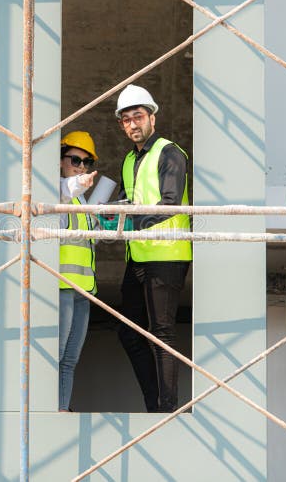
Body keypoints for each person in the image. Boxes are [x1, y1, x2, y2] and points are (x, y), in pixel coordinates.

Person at [114, 84, 191, 413]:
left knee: (161, 332)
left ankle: (167, 408)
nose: (133, 124)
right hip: (139, 256)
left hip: (167, 255)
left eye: (138, 117)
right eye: (126, 120)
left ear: (152, 118)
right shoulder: (129, 160)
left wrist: (135, 223)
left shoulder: (169, 152)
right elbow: (129, 202)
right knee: (129, 331)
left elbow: (171, 203)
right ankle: (153, 402)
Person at [58, 131, 98, 412]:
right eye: (75, 159)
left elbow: (90, 240)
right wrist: (75, 184)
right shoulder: (56, 190)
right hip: (61, 285)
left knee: (70, 359)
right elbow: (63, 189)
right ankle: (47, 409)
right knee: (56, 354)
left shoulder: (83, 202)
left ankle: (62, 408)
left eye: (86, 163)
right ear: (61, 161)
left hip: (84, 290)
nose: (81, 166)